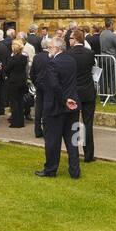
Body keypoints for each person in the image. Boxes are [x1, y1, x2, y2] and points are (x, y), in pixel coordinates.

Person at [35, 35, 81, 179]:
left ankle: (50, 169)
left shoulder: (53, 63)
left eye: (50, 47)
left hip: (57, 106)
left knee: (52, 141)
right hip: (72, 105)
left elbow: (54, 85)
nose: (49, 50)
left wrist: (64, 99)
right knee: (72, 140)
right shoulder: (72, 61)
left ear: (57, 48)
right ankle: (75, 170)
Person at [68, 27, 98, 163]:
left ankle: (75, 154)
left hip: (74, 92)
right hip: (87, 91)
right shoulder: (90, 53)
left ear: (75, 39)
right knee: (88, 124)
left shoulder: (69, 54)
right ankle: (88, 155)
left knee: (74, 124)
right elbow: (91, 68)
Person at [3, 38, 30, 128]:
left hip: (13, 82)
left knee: (14, 102)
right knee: (20, 101)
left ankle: (15, 122)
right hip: (22, 81)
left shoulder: (13, 59)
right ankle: (21, 121)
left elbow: (7, 69)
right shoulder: (24, 58)